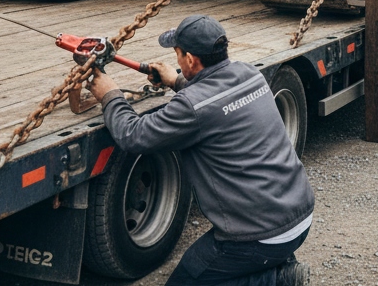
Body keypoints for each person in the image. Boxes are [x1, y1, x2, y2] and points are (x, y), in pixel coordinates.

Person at [83, 15, 314, 285]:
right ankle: (276, 264)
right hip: (299, 215)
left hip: (261, 236)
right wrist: (177, 81)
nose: (177, 61)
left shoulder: (192, 106)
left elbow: (134, 136)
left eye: (178, 55)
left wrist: (110, 94)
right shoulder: (249, 73)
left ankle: (279, 278)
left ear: (191, 59)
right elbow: (214, 101)